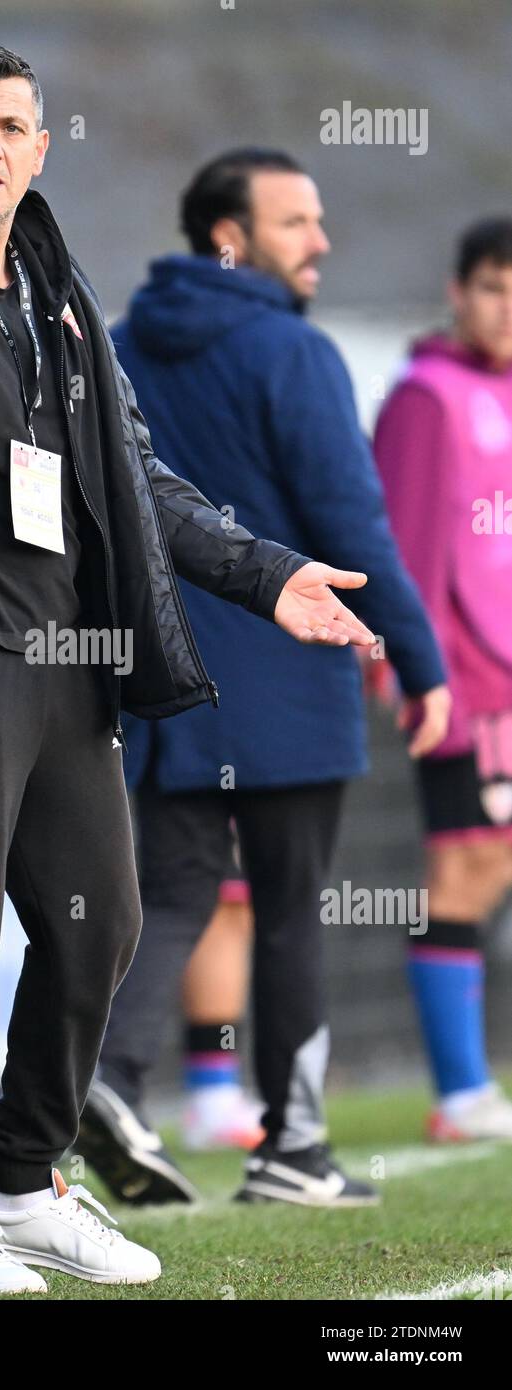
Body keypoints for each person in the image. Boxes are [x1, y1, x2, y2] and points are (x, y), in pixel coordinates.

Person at [0, 52, 376, 1292]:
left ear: (41, 144)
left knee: (99, 928)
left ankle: (22, 1174)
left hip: (68, 667)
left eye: (11, 126)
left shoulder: (60, 298)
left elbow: (136, 474)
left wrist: (262, 570)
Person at [81, 147, 450, 1209]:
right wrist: (418, 661)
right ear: (231, 238)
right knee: (289, 907)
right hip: (289, 666)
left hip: (159, 675)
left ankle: (106, 1080)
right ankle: (293, 1146)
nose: (321, 243)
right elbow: (352, 522)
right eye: (297, 223)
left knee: (176, 893)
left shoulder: (114, 348)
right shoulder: (294, 351)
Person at [373, 217, 512, 1141]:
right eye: (495, 288)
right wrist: (407, 671)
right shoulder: (424, 396)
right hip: (467, 686)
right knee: (463, 867)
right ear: (459, 291)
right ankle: (459, 1092)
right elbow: (403, 547)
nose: (507, 310)